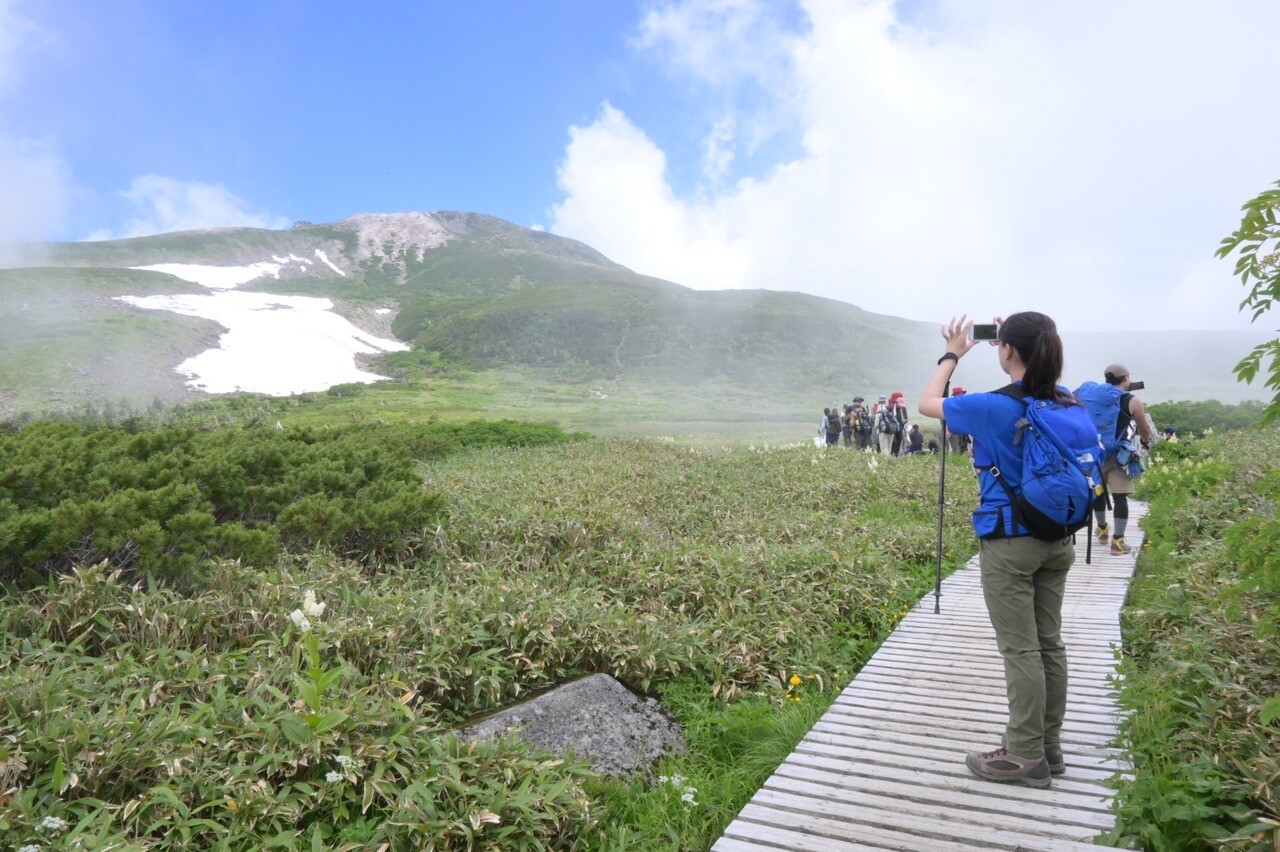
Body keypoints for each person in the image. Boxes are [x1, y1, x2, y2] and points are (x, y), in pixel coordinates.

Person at [919, 312, 1099, 789]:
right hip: (1059, 540)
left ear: (1007, 351)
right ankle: (1049, 746)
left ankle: (1022, 754)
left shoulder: (992, 406)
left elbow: (927, 402)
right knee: (1049, 644)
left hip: (1010, 542)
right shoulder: (1068, 402)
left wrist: (953, 353)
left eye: (1003, 344)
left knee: (1020, 649)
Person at [1075, 364, 1156, 555]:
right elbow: (1144, 429)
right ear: (1126, 378)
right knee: (1120, 497)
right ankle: (1117, 542)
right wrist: (1145, 443)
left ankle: (1102, 530)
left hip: (1095, 453)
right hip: (1119, 455)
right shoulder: (1132, 400)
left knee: (1098, 491)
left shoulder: (1092, 398)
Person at [946, 386, 972, 455]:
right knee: (958, 447)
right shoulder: (952, 406)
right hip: (956, 430)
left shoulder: (964, 404)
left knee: (964, 446)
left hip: (964, 430)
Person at [888, 392, 910, 456]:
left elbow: (906, 418)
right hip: (892, 426)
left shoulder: (903, 408)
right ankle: (891, 453)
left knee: (899, 440)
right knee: (893, 441)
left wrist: (905, 420)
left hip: (900, 427)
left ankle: (896, 454)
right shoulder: (890, 407)